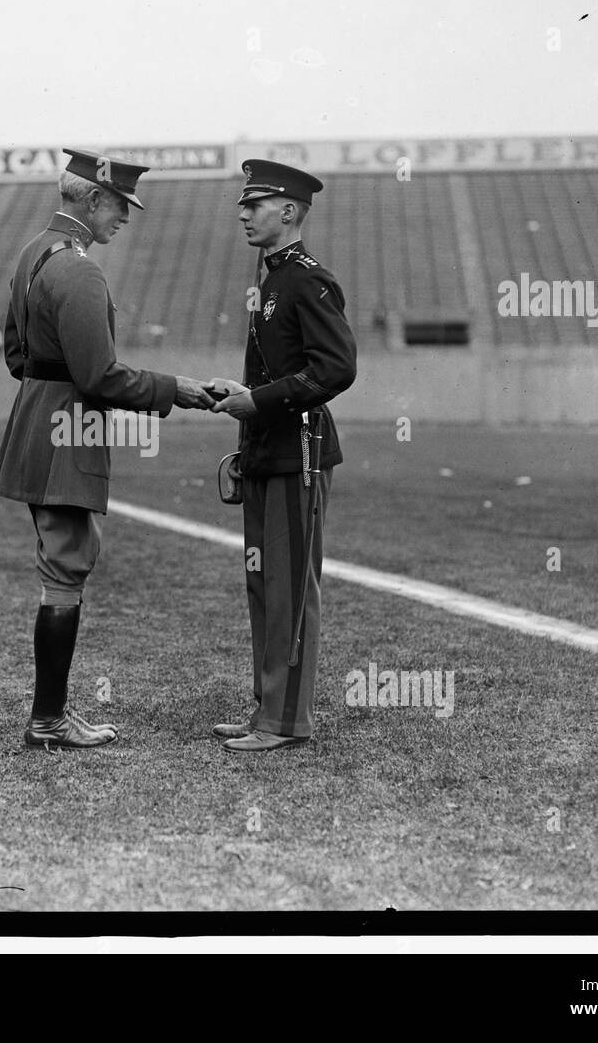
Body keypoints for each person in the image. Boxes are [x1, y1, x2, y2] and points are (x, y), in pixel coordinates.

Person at [0, 149, 215, 749]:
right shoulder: (80, 269)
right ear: (92, 199)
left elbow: (17, 357)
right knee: (68, 564)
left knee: (63, 559)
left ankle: (51, 715)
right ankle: (49, 719)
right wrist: (178, 390)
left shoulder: (32, 252)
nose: (126, 217)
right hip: (69, 428)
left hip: (36, 419)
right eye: (121, 205)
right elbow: (100, 377)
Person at [208, 159, 358, 753]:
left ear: (289, 211)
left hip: (300, 453)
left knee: (289, 588)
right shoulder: (272, 279)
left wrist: (259, 401)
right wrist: (247, 403)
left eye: (255, 204)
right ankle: (266, 707)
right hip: (270, 452)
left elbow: (336, 367)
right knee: (262, 583)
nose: (243, 213)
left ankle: (285, 721)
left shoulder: (305, 280)